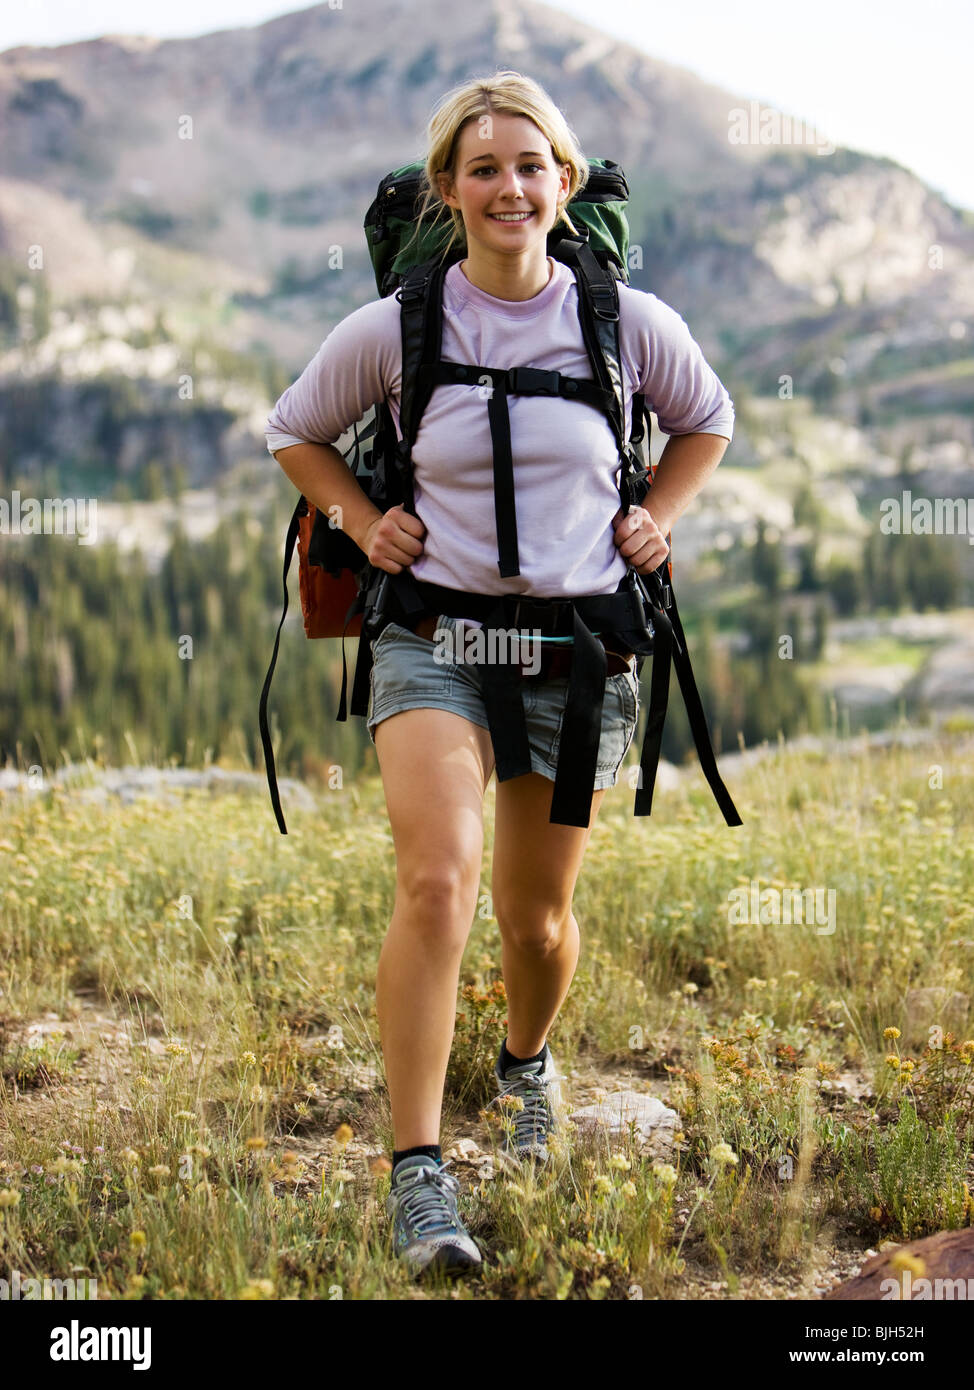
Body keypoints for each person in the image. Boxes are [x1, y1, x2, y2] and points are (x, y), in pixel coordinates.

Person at [266, 69, 734, 1280]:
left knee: (534, 920)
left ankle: (526, 1062)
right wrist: (365, 522)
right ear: (447, 190)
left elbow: (708, 417)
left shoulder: (629, 321)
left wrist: (657, 516)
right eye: (482, 168)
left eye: (529, 166)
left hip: (574, 655)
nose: (507, 186)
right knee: (437, 883)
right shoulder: (400, 326)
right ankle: (416, 1174)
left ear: (563, 184)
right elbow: (293, 431)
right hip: (433, 637)